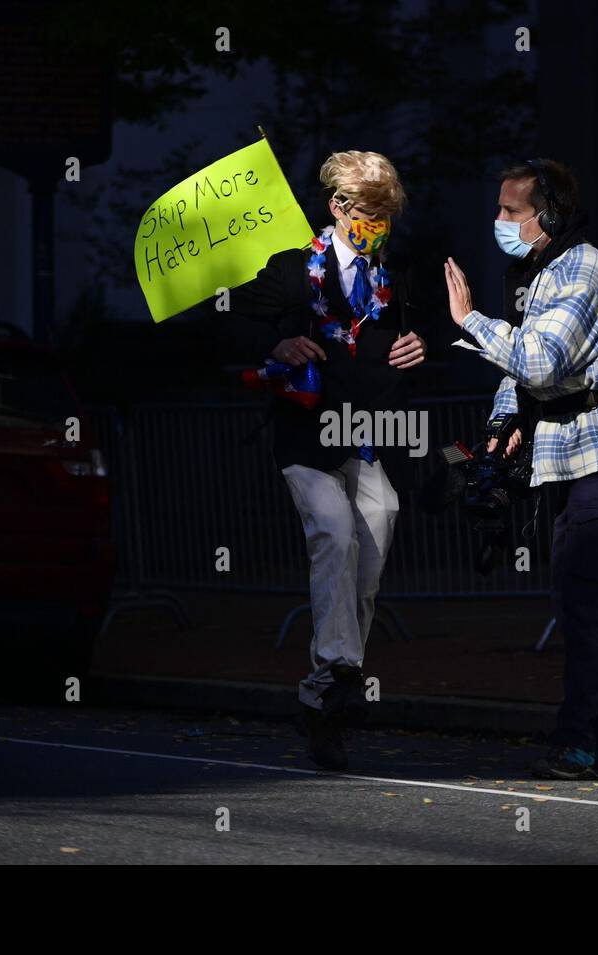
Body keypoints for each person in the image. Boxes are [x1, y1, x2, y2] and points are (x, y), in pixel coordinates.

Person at [443, 158, 598, 780]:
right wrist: (500, 429)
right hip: (573, 451)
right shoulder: (545, 274)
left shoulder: (584, 270)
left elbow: (538, 361)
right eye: (499, 208)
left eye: (512, 211)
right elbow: (528, 378)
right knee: (583, 596)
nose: (499, 221)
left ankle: (583, 742)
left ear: (552, 215)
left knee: (586, 595)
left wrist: (469, 320)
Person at [230, 150, 425, 771]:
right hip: (306, 439)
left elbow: (408, 350)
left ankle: (327, 689)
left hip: (364, 434)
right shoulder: (292, 273)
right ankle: (340, 671)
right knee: (334, 533)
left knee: (378, 526)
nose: (379, 228)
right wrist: (276, 342)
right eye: (370, 214)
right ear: (339, 209)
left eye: (387, 217)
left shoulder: (392, 278)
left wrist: (419, 349)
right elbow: (227, 320)